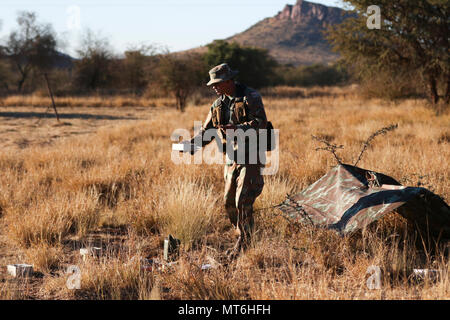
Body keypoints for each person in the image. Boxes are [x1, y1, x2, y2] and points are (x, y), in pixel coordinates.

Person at [185, 63, 268, 256]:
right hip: (231, 158)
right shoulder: (217, 105)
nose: (214, 87)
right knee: (229, 203)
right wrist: (192, 145)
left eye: (218, 83)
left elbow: (261, 123)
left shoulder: (250, 97)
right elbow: (208, 131)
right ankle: (244, 235)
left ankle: (244, 244)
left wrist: (237, 129)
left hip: (251, 156)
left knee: (242, 201)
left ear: (230, 81)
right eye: (212, 84)